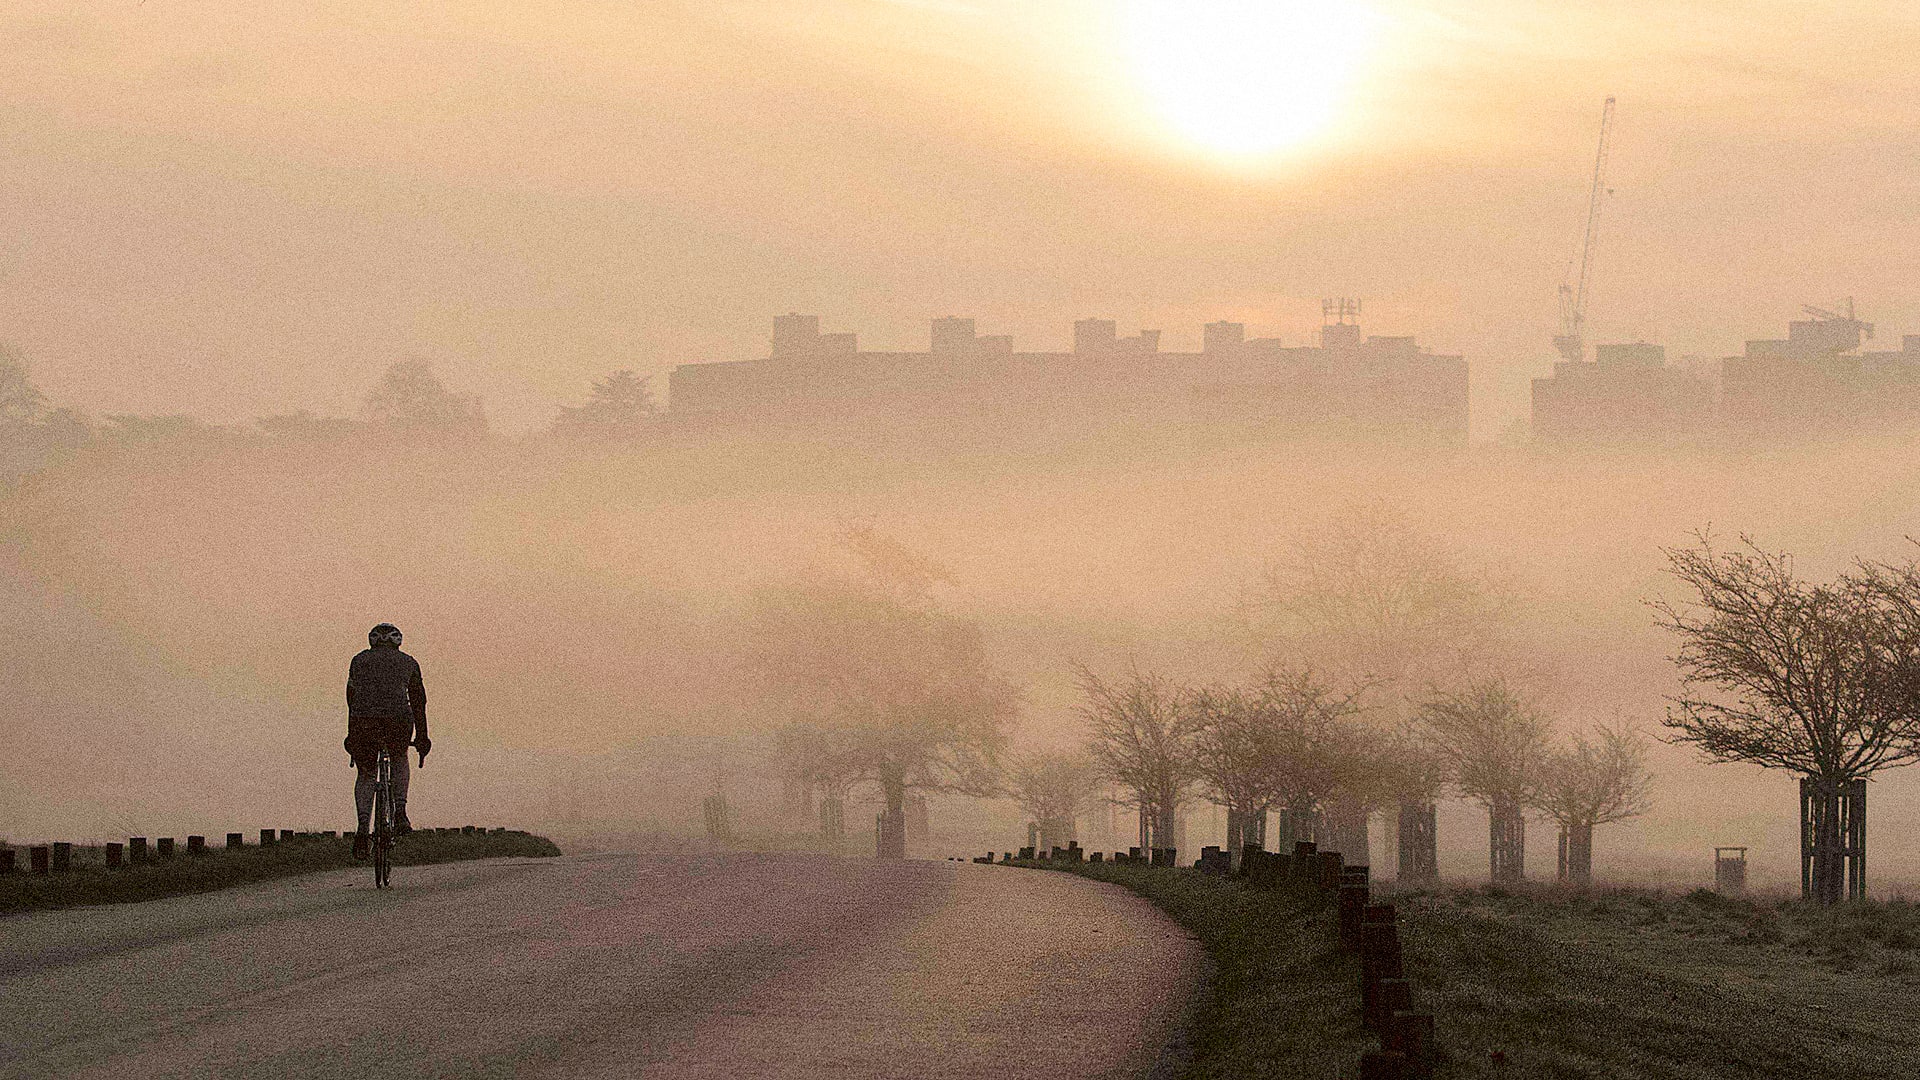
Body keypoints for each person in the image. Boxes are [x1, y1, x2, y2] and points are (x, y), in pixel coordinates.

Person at [345, 622, 431, 860]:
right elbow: (418, 703)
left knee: (366, 773)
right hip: (398, 721)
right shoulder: (409, 663)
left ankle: (362, 831)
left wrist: (351, 736)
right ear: (398, 642)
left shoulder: (358, 661)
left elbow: (351, 700)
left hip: (363, 722)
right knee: (400, 756)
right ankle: (401, 811)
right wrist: (422, 737)